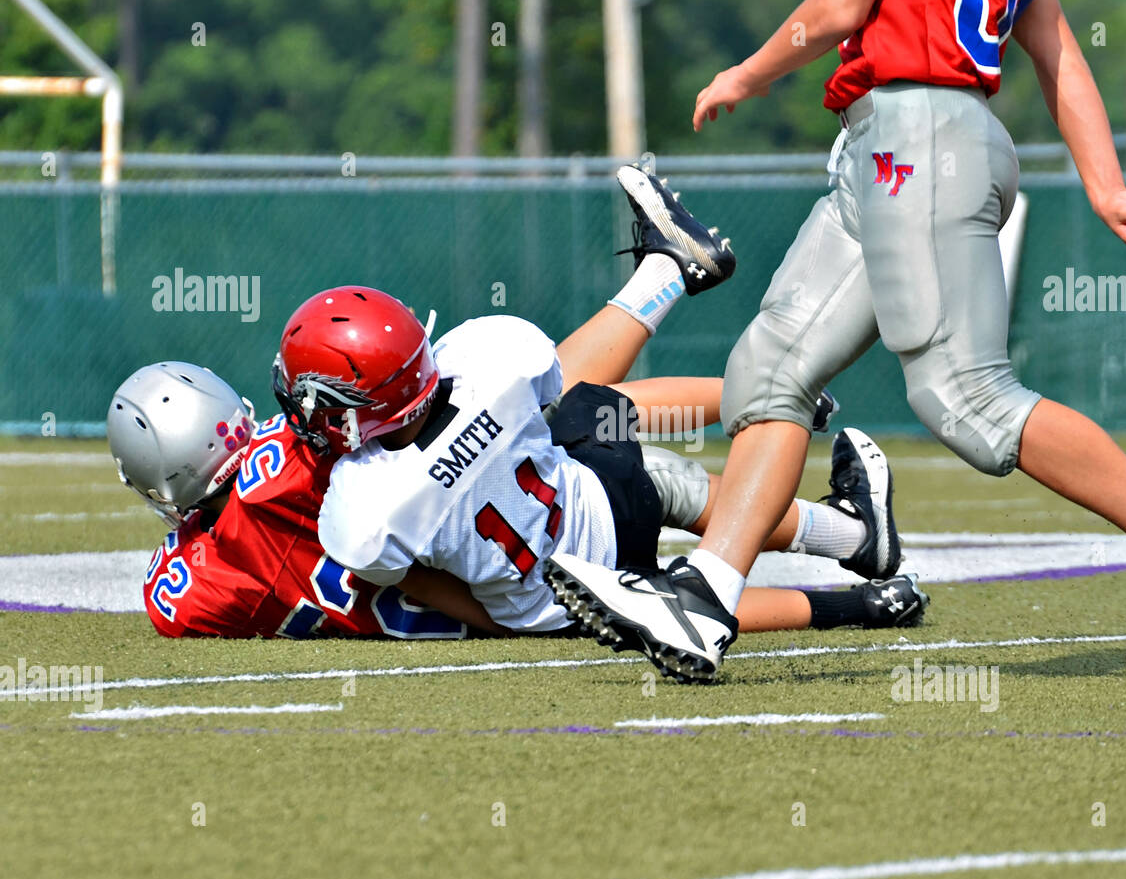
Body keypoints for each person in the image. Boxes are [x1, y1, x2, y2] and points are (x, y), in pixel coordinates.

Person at [543, 0, 1126, 684]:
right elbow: (1056, 49)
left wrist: (745, 75)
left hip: (915, 141)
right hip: (895, 143)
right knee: (771, 371)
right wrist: (1106, 185)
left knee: (969, 396)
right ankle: (708, 596)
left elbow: (841, 5)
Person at [112, 168, 925, 639]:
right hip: (594, 493)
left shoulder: (331, 518)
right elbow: (542, 392)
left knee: (679, 586)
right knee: (589, 410)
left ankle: (863, 595)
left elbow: (413, 583)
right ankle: (754, 373)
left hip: (539, 588)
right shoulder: (480, 355)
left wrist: (502, 622)